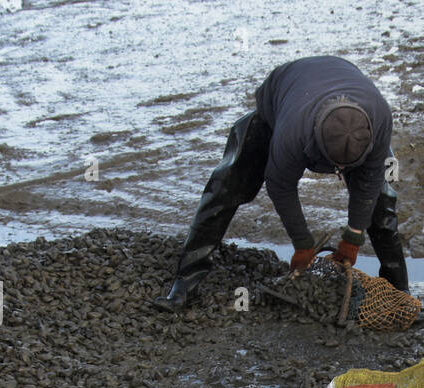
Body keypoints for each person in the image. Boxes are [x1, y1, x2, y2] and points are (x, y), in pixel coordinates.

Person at [153, 55, 409, 312]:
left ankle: (400, 295)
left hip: (341, 91)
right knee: (225, 187)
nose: (340, 172)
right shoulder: (290, 135)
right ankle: (184, 284)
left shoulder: (380, 117)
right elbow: (281, 187)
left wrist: (354, 236)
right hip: (283, 96)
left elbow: (370, 180)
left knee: (382, 205)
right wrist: (302, 243)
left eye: (345, 168)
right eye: (336, 166)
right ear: (315, 145)